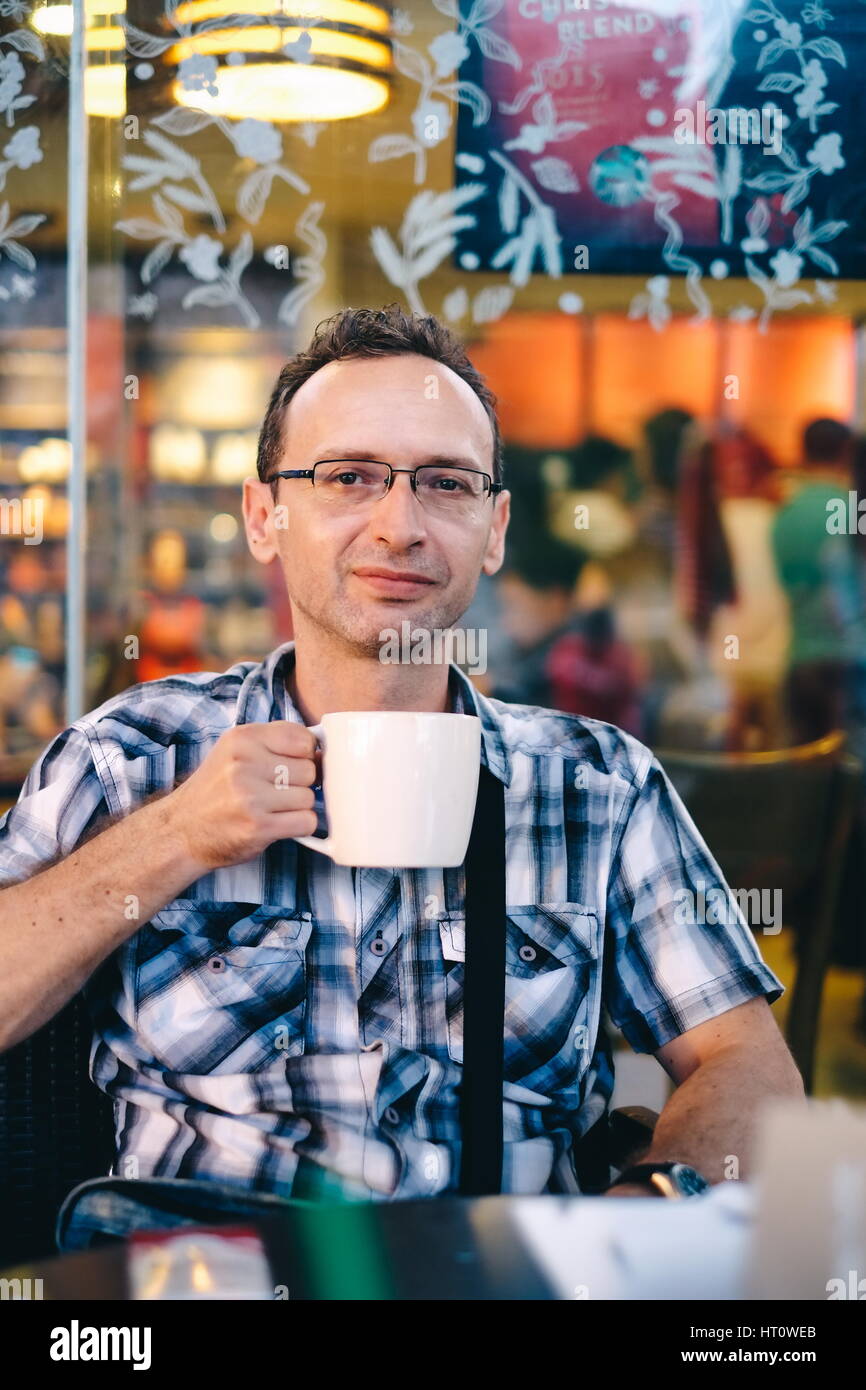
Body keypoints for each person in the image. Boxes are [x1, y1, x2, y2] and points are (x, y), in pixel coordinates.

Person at [0, 305, 801, 1250]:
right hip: (207, 1272)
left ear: (494, 530)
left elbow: (744, 1061)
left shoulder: (598, 786)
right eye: (349, 478)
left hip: (500, 1275)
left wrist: (644, 1214)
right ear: (266, 516)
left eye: (447, 485)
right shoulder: (130, 759)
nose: (401, 525)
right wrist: (178, 834)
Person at [772, 418, 854, 744]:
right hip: (851, 658)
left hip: (801, 655)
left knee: (804, 769)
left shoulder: (785, 513)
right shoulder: (853, 509)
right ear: (846, 453)